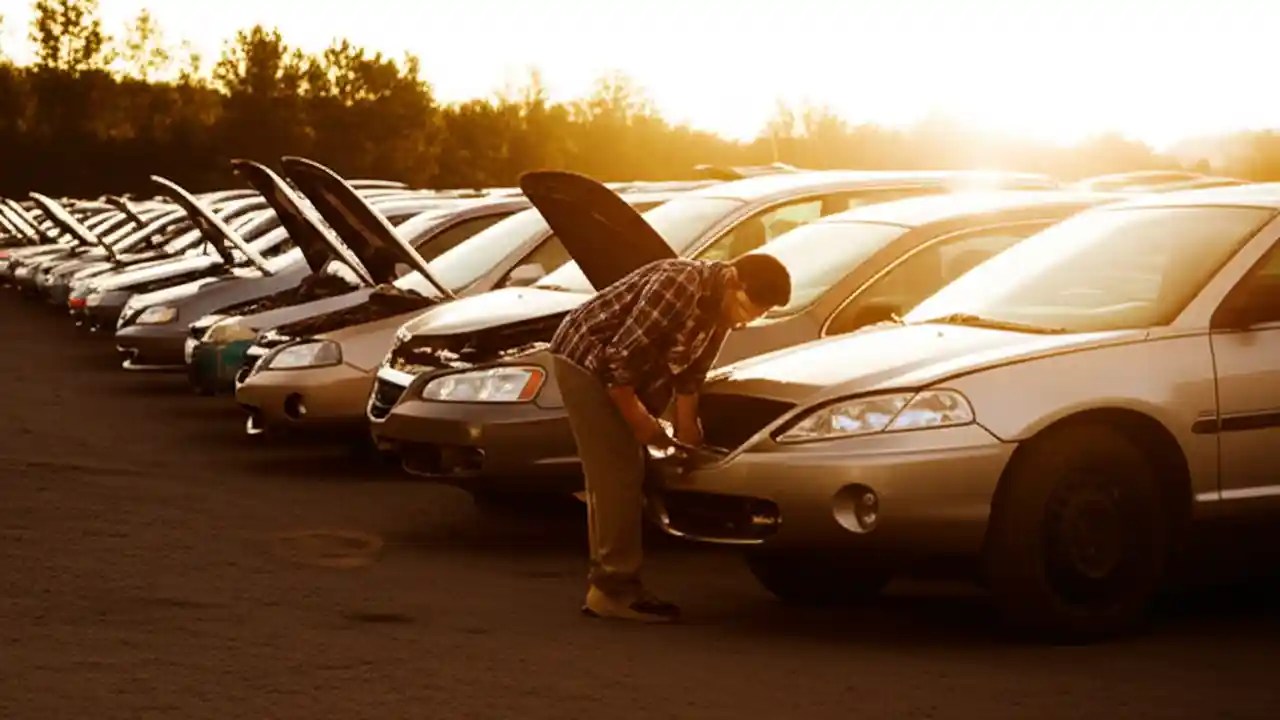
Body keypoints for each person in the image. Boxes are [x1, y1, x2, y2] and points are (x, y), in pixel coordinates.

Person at [549, 254, 792, 622]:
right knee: (617, 472)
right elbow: (618, 360)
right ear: (731, 279)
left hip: (627, 368)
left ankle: (615, 579)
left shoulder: (721, 312)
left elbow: (691, 374)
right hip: (586, 357)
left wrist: (686, 430)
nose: (744, 318)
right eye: (744, 306)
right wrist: (640, 422)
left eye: (756, 315)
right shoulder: (679, 284)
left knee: (630, 466)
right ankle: (612, 589)